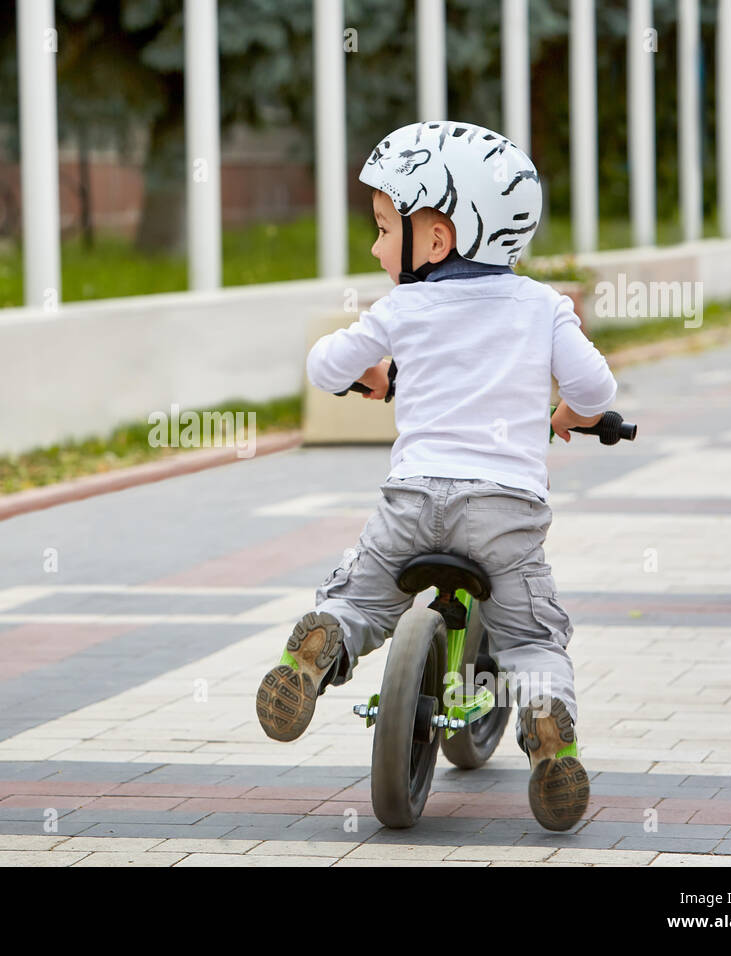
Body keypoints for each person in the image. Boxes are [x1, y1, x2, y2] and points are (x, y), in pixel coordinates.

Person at [254, 121, 617, 832]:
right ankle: (548, 725)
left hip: (412, 502)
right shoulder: (542, 306)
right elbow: (596, 387)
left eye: (386, 227)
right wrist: (572, 413)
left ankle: (320, 642)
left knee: (364, 597)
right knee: (531, 640)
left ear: (439, 240)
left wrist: (371, 372)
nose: (376, 245)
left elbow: (324, 366)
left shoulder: (402, 307)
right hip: (504, 515)